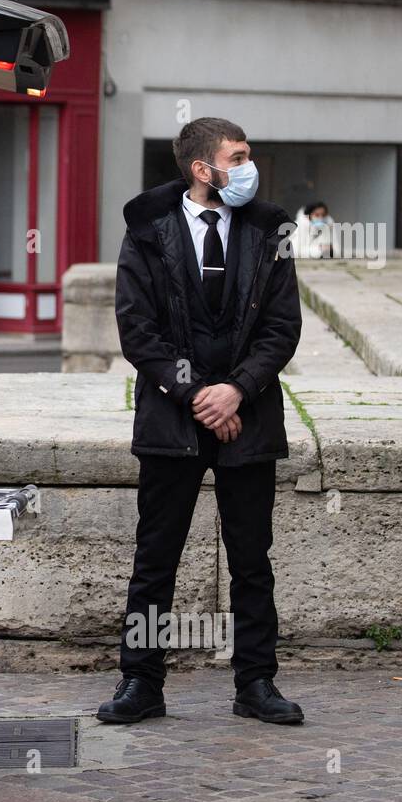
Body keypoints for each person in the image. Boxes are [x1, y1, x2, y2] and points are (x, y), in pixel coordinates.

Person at [100, 117, 305, 726]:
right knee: (155, 557)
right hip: (172, 418)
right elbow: (137, 328)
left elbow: (282, 327)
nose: (248, 167)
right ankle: (141, 683)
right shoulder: (146, 231)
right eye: (237, 157)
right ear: (202, 169)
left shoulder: (272, 230)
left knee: (252, 558)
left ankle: (256, 684)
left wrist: (236, 391)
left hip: (250, 416)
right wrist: (198, 396)